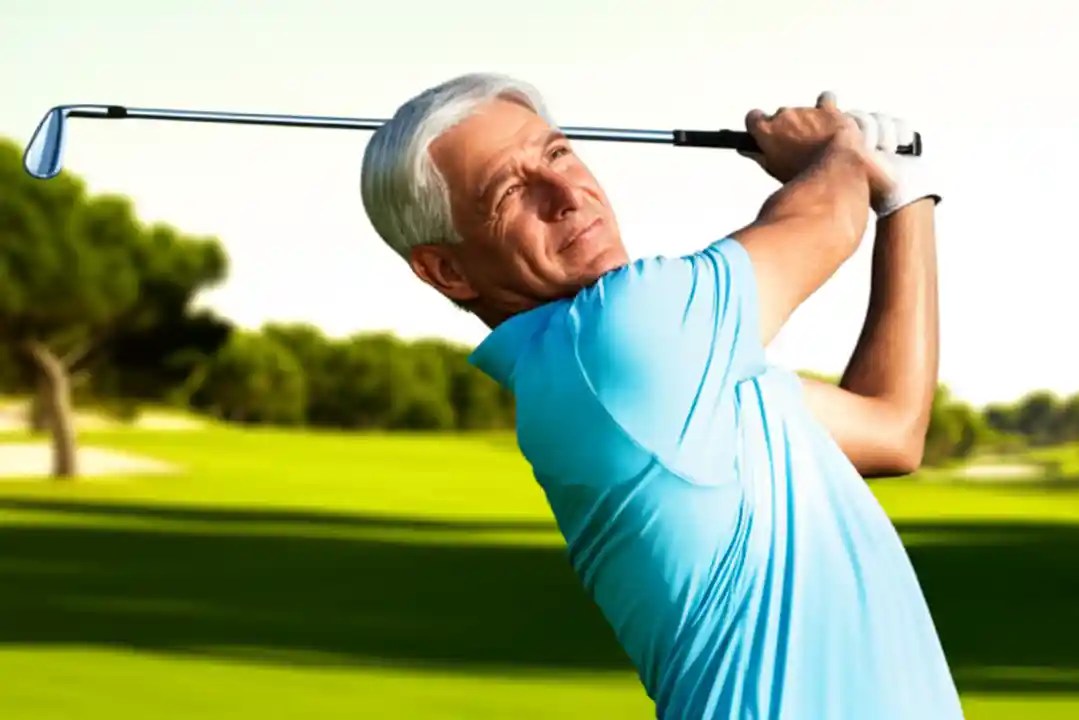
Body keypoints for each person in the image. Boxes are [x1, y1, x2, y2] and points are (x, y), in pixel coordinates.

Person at [360, 72, 963, 719]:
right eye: (509, 191)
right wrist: (834, 150)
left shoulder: (666, 376)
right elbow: (827, 217)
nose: (566, 193)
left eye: (558, 152)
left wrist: (903, 198)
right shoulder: (616, 337)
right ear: (446, 269)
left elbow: (893, 428)